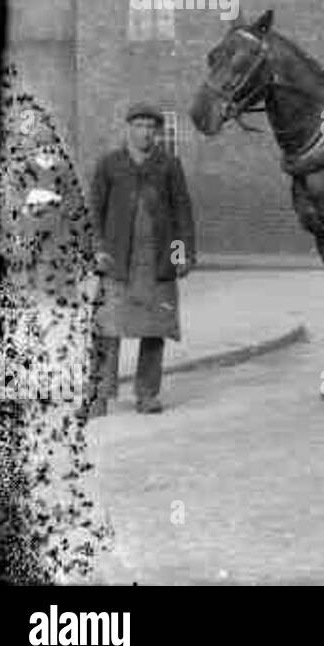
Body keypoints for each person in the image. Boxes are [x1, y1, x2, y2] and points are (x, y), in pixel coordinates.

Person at [86, 103, 195, 416]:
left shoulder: (169, 165)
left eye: (151, 127)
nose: (145, 132)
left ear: (156, 132)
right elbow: (94, 210)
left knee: (154, 328)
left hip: (157, 260)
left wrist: (182, 254)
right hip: (118, 260)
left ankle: (147, 394)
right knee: (107, 328)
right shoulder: (110, 163)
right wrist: (96, 248)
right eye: (139, 126)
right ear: (128, 128)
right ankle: (99, 395)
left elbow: (182, 212)